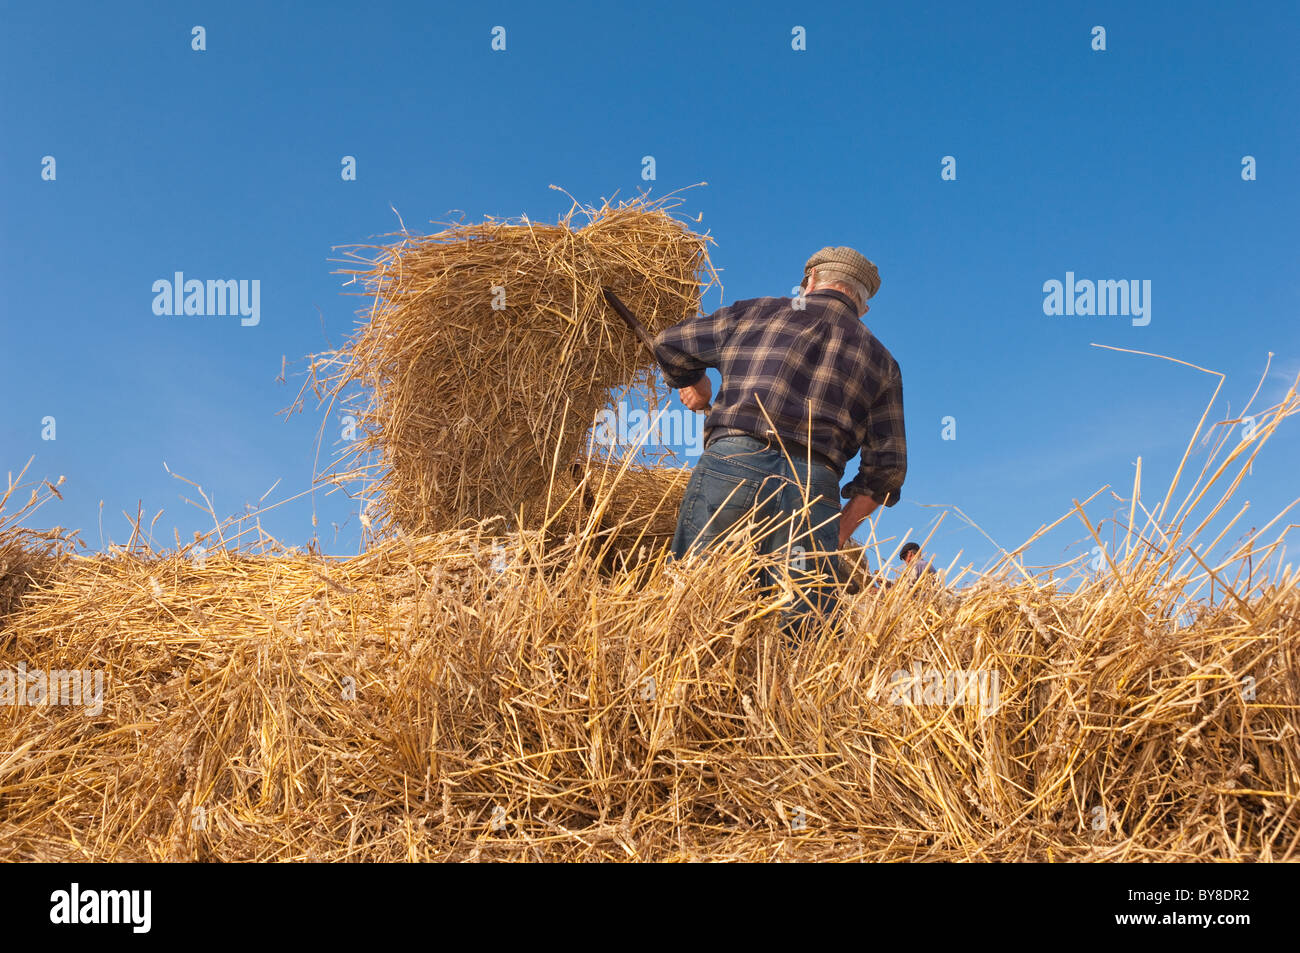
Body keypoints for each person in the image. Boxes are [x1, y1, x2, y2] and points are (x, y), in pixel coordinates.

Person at [652, 246, 907, 635]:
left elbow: (669, 343)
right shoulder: (882, 362)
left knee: (695, 601)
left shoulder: (756, 311)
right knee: (803, 627)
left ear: (809, 282)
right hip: (812, 486)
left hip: (732, 463)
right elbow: (887, 470)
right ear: (863, 305)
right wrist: (838, 529)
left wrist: (696, 385)